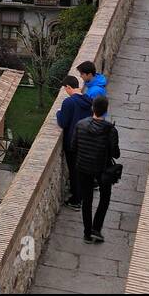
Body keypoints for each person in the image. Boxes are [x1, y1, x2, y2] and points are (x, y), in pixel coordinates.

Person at [71, 94, 120, 244]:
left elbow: (73, 147)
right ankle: (96, 229)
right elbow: (115, 154)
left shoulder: (80, 124)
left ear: (92, 108)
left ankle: (87, 234)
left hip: (83, 167)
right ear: (106, 111)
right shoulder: (111, 130)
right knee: (105, 197)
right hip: (102, 169)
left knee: (87, 200)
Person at [56, 75, 92, 208]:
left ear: (69, 87)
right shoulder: (88, 100)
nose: (66, 91)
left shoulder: (69, 102)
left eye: (65, 88)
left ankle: (76, 200)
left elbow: (63, 122)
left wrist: (58, 113)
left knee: (74, 171)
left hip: (73, 142)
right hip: (86, 140)